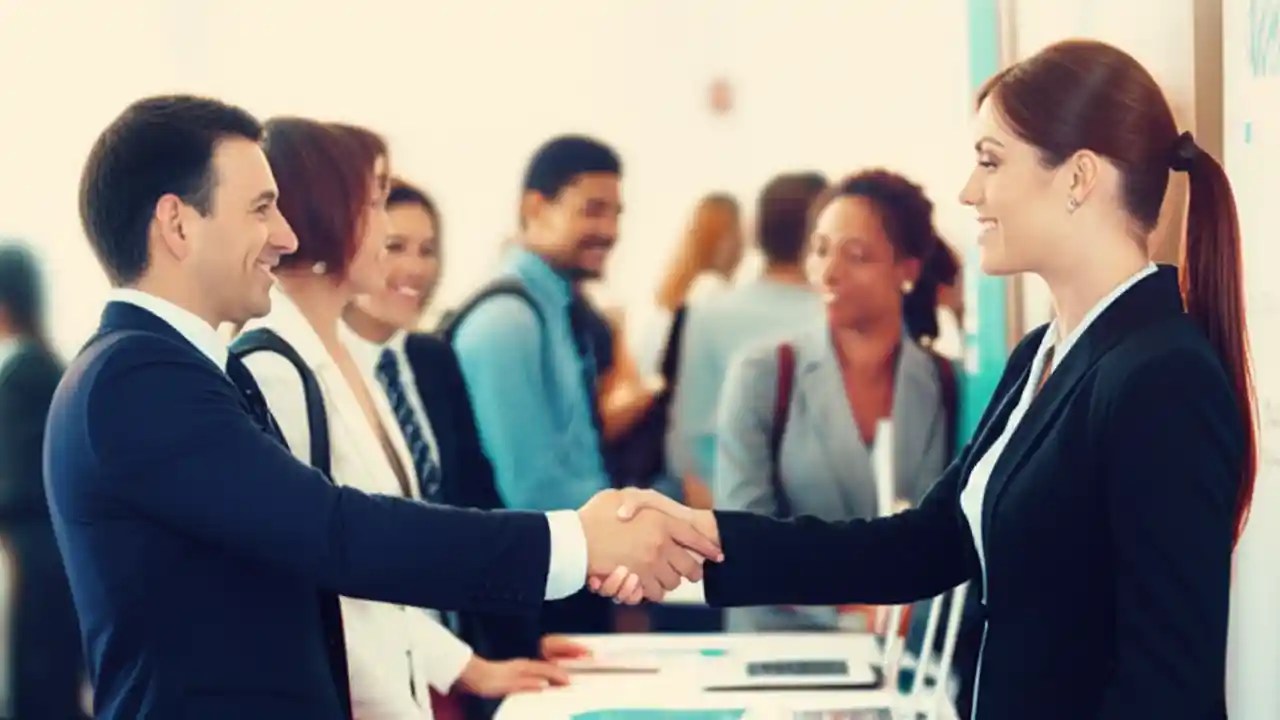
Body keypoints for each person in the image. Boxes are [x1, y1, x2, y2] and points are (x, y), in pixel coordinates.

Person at [607, 39, 1254, 720]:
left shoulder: (1162, 376)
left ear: (1078, 177)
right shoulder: (1043, 353)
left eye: (990, 162)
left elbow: (1168, 687)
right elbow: (926, 545)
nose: (969, 192)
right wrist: (704, 536)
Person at [44, 94, 721, 719]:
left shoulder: (164, 367)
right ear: (176, 224)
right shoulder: (137, 376)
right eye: (259, 209)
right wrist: (572, 541)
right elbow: (337, 533)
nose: (284, 237)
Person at [342, 175, 593, 719]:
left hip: (453, 656)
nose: (416, 268)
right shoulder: (316, 379)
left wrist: (514, 642)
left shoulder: (431, 360)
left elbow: (478, 509)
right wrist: (468, 666)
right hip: (380, 670)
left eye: (428, 250)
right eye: (394, 247)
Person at [713, 170, 960, 634]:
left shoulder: (947, 384)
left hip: (902, 664)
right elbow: (744, 539)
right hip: (779, 654)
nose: (829, 272)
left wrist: (906, 615)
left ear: (907, 270)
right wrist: (852, 612)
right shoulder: (764, 374)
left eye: (857, 255)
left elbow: (959, 541)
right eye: (821, 250)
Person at [445, 135, 627, 636]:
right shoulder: (507, 320)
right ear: (535, 207)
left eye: (615, 213)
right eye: (592, 210)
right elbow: (528, 489)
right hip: (536, 597)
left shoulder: (562, 311)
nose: (609, 230)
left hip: (570, 576)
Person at [668, 173, 826, 486]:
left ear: (755, 232)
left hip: (723, 507)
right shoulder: (837, 319)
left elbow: (688, 439)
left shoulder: (707, 314)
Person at [0, 241, 85, 719]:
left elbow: (15, 486)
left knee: (40, 691)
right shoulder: (48, 369)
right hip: (52, 559)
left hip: (36, 567)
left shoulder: (22, 377)